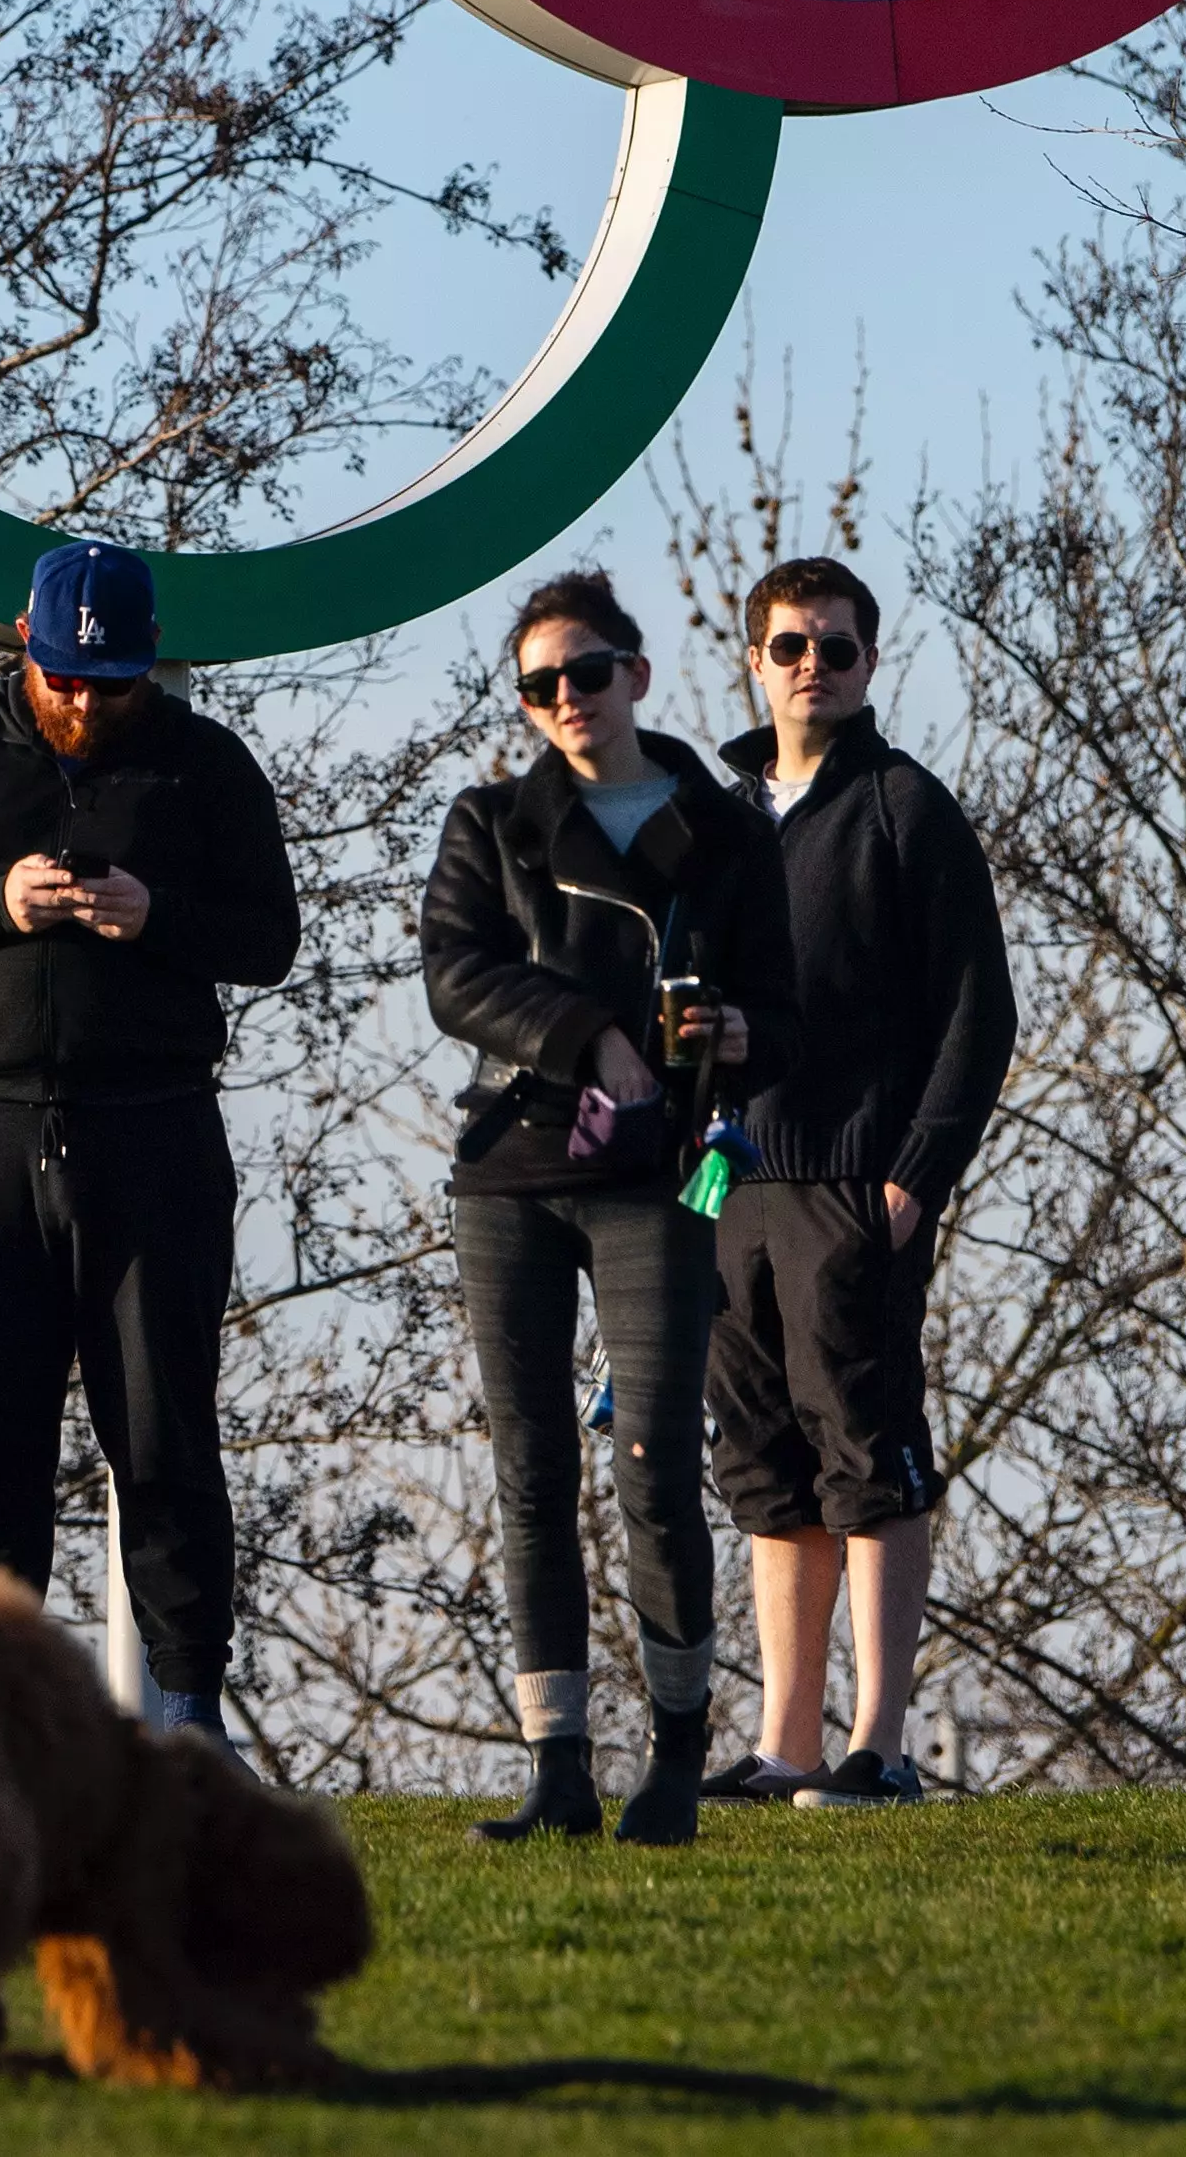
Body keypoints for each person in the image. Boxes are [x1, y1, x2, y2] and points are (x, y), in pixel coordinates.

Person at [0, 539, 301, 1743]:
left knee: (163, 1437)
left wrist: (157, 918)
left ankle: (193, 1716)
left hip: (152, 1132)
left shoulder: (203, 763)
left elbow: (272, 938)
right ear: (21, 642)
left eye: (112, 681)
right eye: (64, 677)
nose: (86, 701)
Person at [414, 568, 788, 1845]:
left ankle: (676, 1762)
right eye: (538, 684)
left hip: (665, 1177)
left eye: (585, 671)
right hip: (514, 1170)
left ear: (637, 672)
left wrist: (741, 1031)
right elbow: (455, 977)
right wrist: (588, 1037)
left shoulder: (727, 831)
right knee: (529, 1468)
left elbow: (790, 1003)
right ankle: (557, 1766)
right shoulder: (491, 823)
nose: (565, 698)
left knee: (654, 1466)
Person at [702, 554, 1014, 1806]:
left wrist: (915, 1175)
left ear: (869, 662)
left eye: (835, 646)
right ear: (755, 660)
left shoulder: (907, 808)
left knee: (867, 1453)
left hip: (854, 1183)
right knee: (765, 1463)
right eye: (790, 646)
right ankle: (787, 1746)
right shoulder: (711, 815)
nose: (811, 667)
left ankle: (878, 1748)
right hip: (728, 1185)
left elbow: (979, 1014)